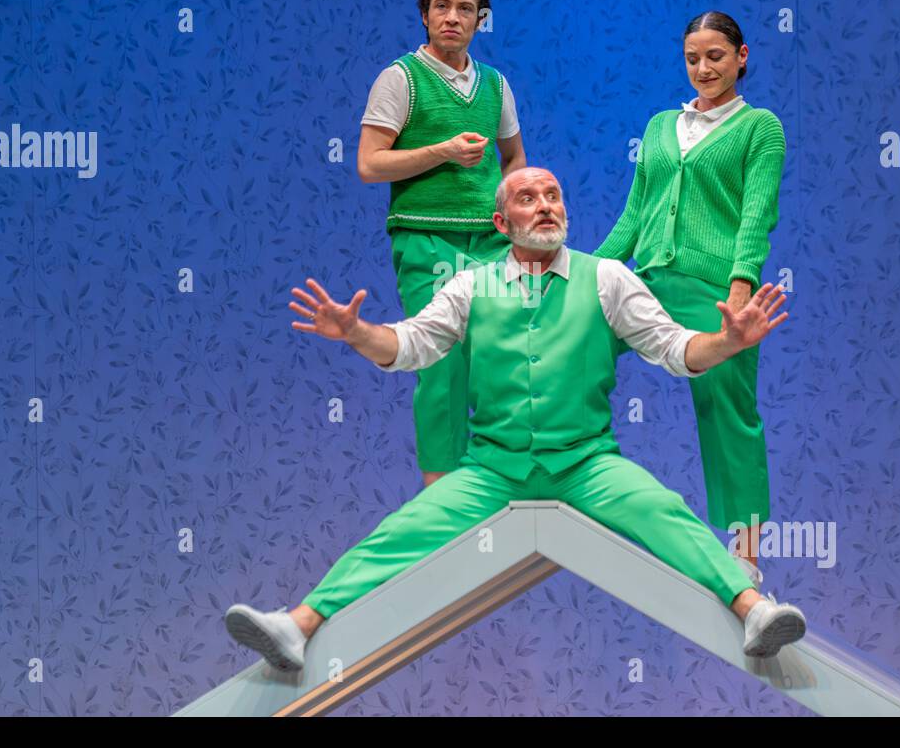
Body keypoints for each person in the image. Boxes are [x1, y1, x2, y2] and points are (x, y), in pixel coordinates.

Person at [225, 168, 806, 673]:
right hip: (492, 470)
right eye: (529, 198)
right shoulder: (471, 284)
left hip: (586, 464)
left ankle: (755, 611)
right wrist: (355, 333)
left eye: (553, 195)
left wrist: (726, 343)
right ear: (501, 224)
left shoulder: (606, 277)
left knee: (663, 513)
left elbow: (677, 351)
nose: (546, 205)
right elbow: (407, 346)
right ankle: (295, 627)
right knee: (401, 532)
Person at [594, 11, 786, 587]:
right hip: (647, 282)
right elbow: (634, 213)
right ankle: (547, 476)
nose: (703, 68)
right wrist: (582, 276)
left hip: (715, 290)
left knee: (729, 408)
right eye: (692, 58)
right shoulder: (658, 126)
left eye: (716, 57)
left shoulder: (761, 128)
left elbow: (756, 215)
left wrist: (739, 293)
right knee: (571, 350)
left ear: (742, 56)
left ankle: (745, 556)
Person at [357, 0, 527, 489]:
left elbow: (515, 159)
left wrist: (514, 215)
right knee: (442, 364)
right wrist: (442, 151)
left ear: (481, 20)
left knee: (506, 357)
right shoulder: (400, 78)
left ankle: (501, 481)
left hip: (491, 240)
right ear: (425, 16)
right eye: (441, 7)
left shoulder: (496, 85)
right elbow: (369, 163)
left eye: (466, 9)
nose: (452, 17)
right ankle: (442, 500)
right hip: (427, 236)